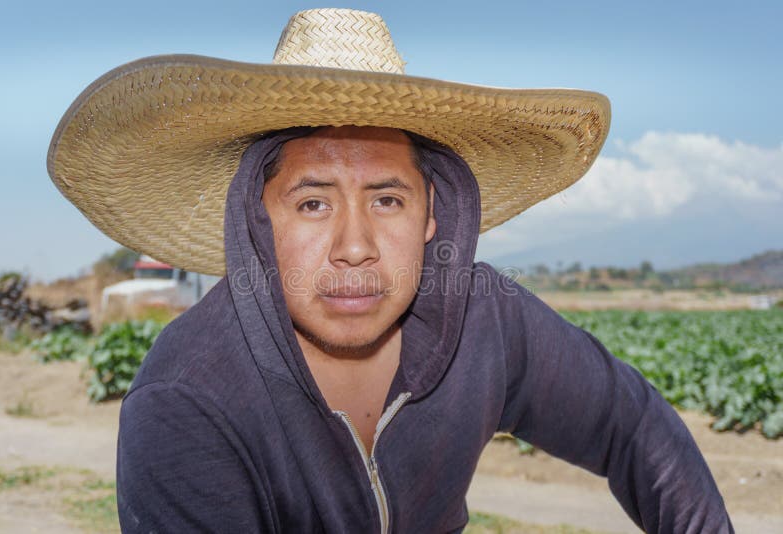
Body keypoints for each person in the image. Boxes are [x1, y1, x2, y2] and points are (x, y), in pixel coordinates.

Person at [46, 8, 733, 534]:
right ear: (258, 219)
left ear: (435, 215)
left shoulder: (485, 318)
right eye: (312, 202)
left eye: (388, 199)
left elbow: (630, 424)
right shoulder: (187, 397)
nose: (354, 246)